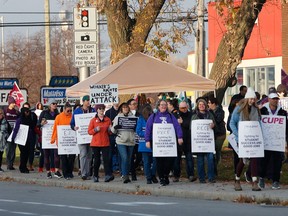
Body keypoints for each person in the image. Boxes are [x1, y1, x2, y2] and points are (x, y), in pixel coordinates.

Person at [229, 87, 262, 191]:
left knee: (254, 159)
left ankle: (254, 182)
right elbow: (232, 123)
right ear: (247, 98)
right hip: (242, 139)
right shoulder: (239, 109)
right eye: (251, 99)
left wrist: (260, 136)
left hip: (253, 138)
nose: (252, 101)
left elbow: (258, 124)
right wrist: (238, 134)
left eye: (254, 99)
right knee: (243, 160)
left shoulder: (256, 110)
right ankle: (237, 180)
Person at [145, 99, 183, 186]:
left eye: (165, 105)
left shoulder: (170, 116)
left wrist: (180, 137)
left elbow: (177, 126)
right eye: (161, 105)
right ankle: (162, 177)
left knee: (169, 160)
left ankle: (166, 175)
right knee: (159, 161)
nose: (163, 106)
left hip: (169, 143)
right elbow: (148, 128)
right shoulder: (153, 116)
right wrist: (147, 140)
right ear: (158, 106)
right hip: (158, 143)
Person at [258, 92, 288, 190]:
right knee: (264, 161)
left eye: (277, 99)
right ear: (269, 100)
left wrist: (285, 140)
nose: (275, 100)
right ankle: (261, 178)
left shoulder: (282, 112)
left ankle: (276, 181)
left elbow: (285, 127)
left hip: (277, 141)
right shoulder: (262, 110)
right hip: (266, 141)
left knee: (277, 162)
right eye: (273, 99)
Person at [70, 95, 95, 180]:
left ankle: (88, 173)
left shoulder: (92, 110)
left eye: (89, 100)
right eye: (87, 100)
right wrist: (74, 127)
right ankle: (83, 173)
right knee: (83, 154)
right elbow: (72, 123)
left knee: (89, 155)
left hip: (91, 136)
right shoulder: (77, 111)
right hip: (81, 135)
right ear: (83, 102)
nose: (88, 102)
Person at [88, 104, 114, 183]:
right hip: (96, 143)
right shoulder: (93, 120)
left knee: (106, 160)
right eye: (100, 109)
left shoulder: (108, 119)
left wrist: (110, 130)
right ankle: (95, 175)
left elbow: (110, 133)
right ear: (97, 110)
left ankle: (107, 175)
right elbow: (89, 131)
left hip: (105, 142)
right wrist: (95, 130)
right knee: (97, 160)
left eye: (103, 109)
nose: (102, 110)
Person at [192, 98, 216, 183]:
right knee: (200, 161)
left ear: (205, 106)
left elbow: (214, 123)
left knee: (210, 159)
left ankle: (211, 177)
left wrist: (213, 125)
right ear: (197, 106)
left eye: (203, 104)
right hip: (199, 141)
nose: (201, 106)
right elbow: (191, 128)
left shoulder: (210, 115)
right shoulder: (194, 116)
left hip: (208, 141)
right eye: (200, 105)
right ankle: (201, 178)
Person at [111, 102, 136, 183]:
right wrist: (115, 128)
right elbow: (113, 131)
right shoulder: (117, 117)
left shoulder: (133, 117)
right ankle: (125, 175)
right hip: (121, 140)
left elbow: (136, 128)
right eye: (124, 107)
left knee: (128, 159)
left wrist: (135, 128)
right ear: (121, 109)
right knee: (124, 157)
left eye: (127, 107)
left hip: (131, 141)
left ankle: (125, 174)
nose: (125, 108)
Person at [51, 102, 75, 180]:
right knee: (63, 158)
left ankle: (70, 172)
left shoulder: (73, 117)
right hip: (62, 140)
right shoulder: (58, 117)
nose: (70, 112)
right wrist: (53, 139)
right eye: (68, 111)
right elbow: (55, 128)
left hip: (71, 141)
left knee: (72, 157)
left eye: (71, 111)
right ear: (64, 110)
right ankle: (65, 173)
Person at [38, 99, 61, 179]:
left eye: (56, 103)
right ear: (49, 105)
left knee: (56, 154)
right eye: (53, 103)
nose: (55, 105)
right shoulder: (44, 113)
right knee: (46, 155)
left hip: (55, 136)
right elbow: (38, 124)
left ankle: (57, 170)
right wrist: (41, 123)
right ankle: (48, 172)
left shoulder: (58, 114)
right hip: (46, 136)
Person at [136, 104, 158, 184]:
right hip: (144, 143)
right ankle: (148, 177)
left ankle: (153, 175)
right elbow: (138, 131)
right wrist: (147, 134)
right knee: (146, 162)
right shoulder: (141, 119)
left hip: (154, 143)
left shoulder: (154, 118)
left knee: (155, 161)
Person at [12, 105, 37, 173]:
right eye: (26, 112)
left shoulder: (29, 119)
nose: (28, 113)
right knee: (23, 153)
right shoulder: (20, 120)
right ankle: (22, 167)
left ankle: (25, 166)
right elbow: (16, 129)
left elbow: (33, 126)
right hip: (21, 138)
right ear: (23, 112)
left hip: (29, 138)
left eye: (28, 111)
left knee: (27, 153)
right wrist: (13, 137)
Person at [176, 101, 196, 182]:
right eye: (182, 108)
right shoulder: (176, 115)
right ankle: (176, 175)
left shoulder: (191, 115)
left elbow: (190, 125)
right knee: (177, 159)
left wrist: (182, 123)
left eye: (185, 107)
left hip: (188, 139)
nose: (184, 109)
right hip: (178, 140)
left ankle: (190, 175)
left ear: (187, 107)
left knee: (189, 158)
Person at [208, 96, 226, 176]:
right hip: (212, 134)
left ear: (213, 104)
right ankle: (213, 168)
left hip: (219, 134)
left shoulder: (220, 111)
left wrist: (211, 113)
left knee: (216, 150)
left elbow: (218, 120)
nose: (208, 105)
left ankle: (215, 167)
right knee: (212, 152)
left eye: (209, 103)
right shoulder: (209, 111)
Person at [4, 96, 20, 170]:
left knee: (13, 148)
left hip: (15, 132)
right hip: (7, 132)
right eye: (13, 103)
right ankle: (8, 163)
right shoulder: (5, 110)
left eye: (14, 103)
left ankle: (11, 164)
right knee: (8, 148)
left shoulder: (16, 112)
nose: (14, 104)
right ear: (9, 103)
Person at [127, 98, 141, 181]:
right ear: (129, 106)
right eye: (133, 104)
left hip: (138, 138)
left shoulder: (140, 114)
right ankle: (133, 174)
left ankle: (135, 166)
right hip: (130, 138)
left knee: (139, 156)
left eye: (136, 104)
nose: (135, 105)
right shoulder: (127, 114)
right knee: (131, 156)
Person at [22, 102, 38, 171]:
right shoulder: (21, 116)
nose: (26, 110)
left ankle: (30, 164)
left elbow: (34, 125)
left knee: (31, 150)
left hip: (31, 134)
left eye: (27, 108)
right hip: (23, 135)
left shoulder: (33, 115)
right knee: (24, 151)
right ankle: (23, 164)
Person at [105, 102, 120, 173]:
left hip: (119, 135)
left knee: (118, 152)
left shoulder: (120, 111)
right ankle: (110, 168)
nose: (117, 103)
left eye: (118, 101)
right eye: (115, 101)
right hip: (111, 135)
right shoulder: (108, 112)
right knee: (110, 152)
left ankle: (118, 167)